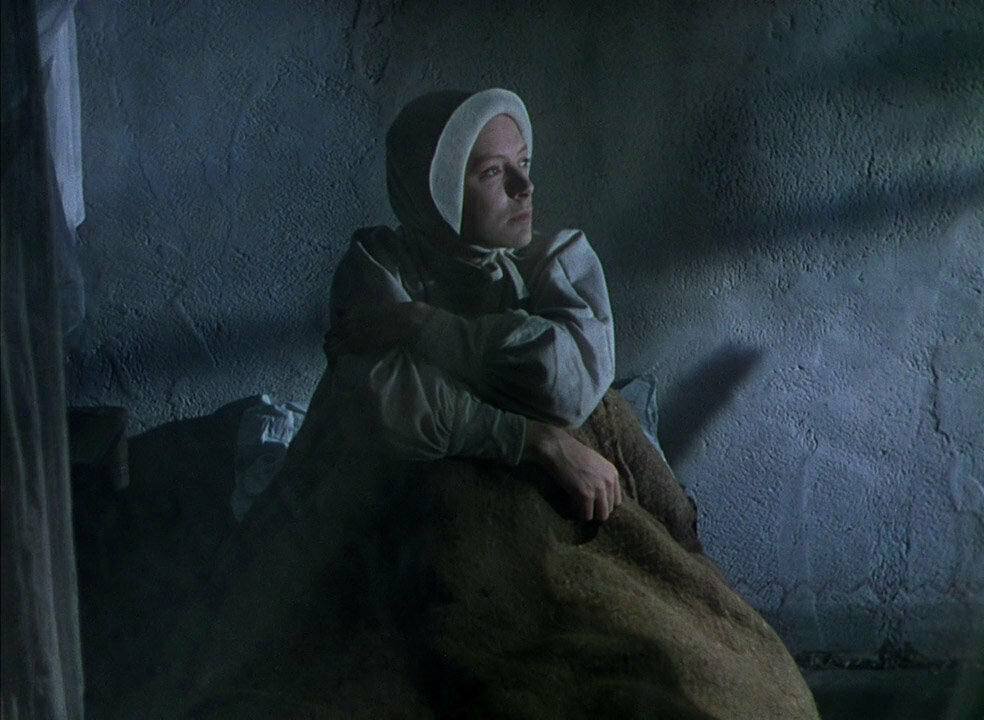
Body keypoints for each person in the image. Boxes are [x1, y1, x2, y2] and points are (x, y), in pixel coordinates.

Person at [321, 88, 622, 522]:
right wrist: (538, 439)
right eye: (492, 171)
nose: (525, 187)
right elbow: (394, 407)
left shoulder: (552, 261)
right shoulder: (378, 265)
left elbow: (566, 391)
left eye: (523, 162)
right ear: (434, 187)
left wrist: (425, 323)